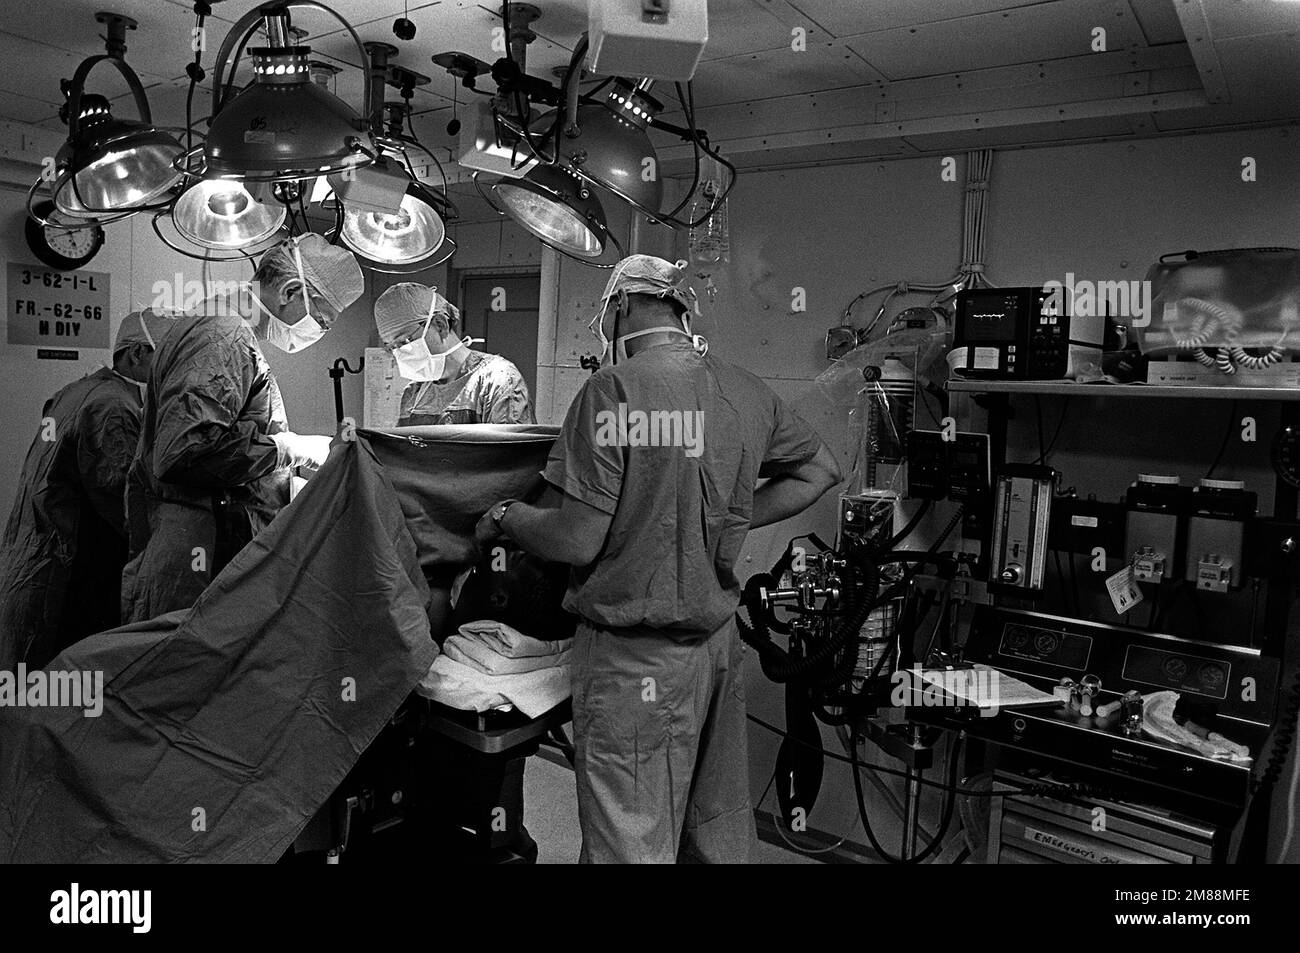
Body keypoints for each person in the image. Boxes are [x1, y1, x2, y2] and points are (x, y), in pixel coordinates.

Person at [474, 254, 842, 863]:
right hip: (716, 650)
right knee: (713, 827)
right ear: (680, 310)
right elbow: (821, 470)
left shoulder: (614, 391)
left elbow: (576, 540)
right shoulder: (745, 389)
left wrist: (507, 516)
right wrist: (725, 516)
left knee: (631, 837)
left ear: (620, 306)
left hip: (634, 661)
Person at [120, 233, 364, 623]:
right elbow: (187, 452)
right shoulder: (222, 334)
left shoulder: (218, 326)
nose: (318, 331)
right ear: (290, 291)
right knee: (191, 655)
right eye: (321, 320)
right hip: (201, 548)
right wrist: (288, 449)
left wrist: (282, 477)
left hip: (202, 538)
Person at [0, 309, 177, 669]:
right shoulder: (113, 407)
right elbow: (124, 503)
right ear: (136, 353)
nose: (171, 375)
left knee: (33, 681)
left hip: (35, 556)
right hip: (68, 573)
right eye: (165, 361)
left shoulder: (79, 390)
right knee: (69, 682)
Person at [374, 282, 534, 425]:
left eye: (404, 341)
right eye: (391, 347)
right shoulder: (414, 392)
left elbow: (509, 447)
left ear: (440, 324)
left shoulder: (497, 381)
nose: (399, 353)